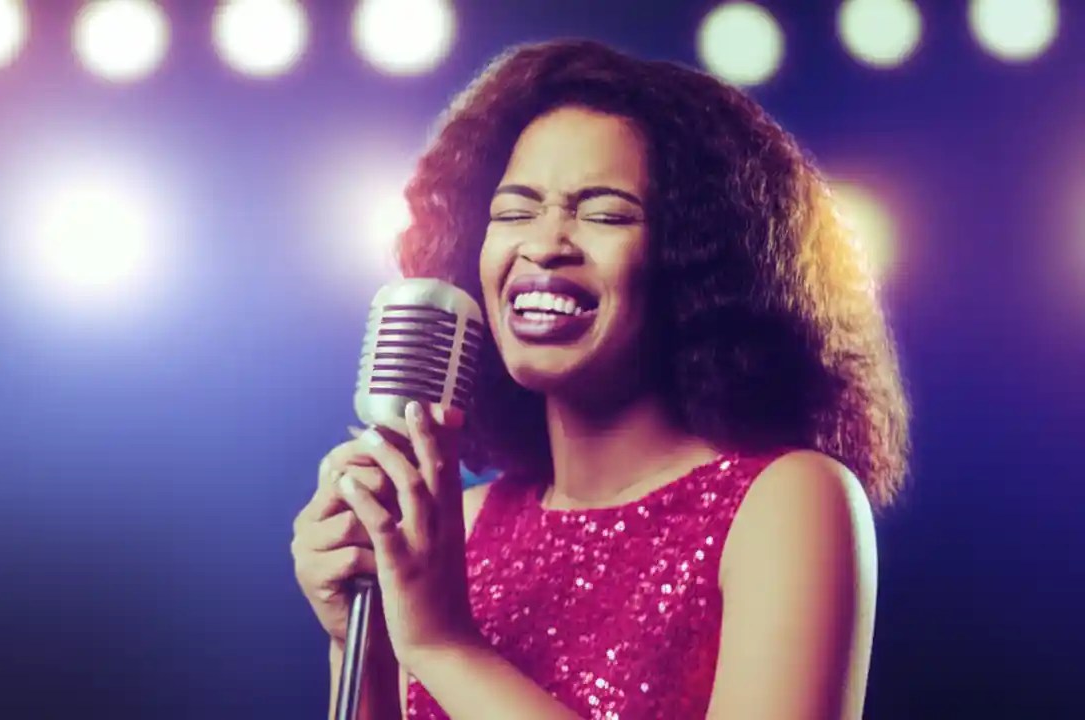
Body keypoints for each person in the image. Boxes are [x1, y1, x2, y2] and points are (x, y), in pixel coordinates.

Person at [290, 38, 909, 720]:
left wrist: (442, 644)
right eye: (514, 212)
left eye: (604, 213)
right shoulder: (456, 528)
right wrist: (365, 644)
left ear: (694, 260)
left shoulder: (788, 499)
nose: (544, 243)